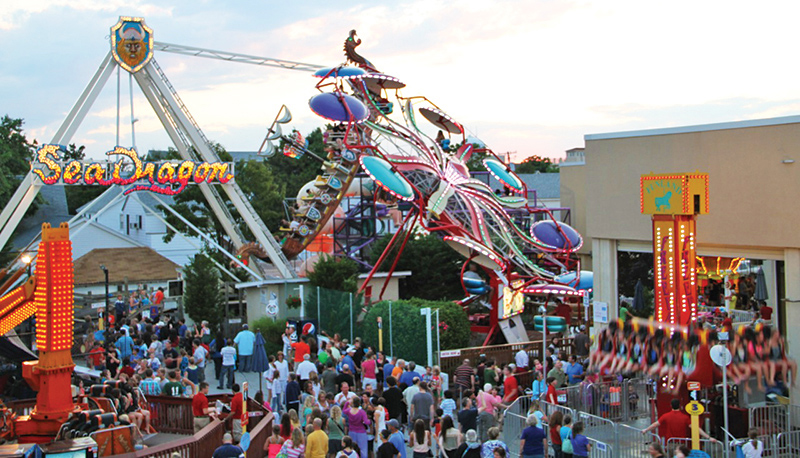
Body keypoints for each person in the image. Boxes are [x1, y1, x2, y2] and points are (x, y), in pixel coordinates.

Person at [642, 399, 717, 445]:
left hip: (670, 443)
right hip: (681, 443)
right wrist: (708, 437)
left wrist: (646, 430)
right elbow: (695, 428)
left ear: (671, 405)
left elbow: (655, 424)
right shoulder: (685, 417)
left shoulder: (666, 416)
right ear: (680, 405)